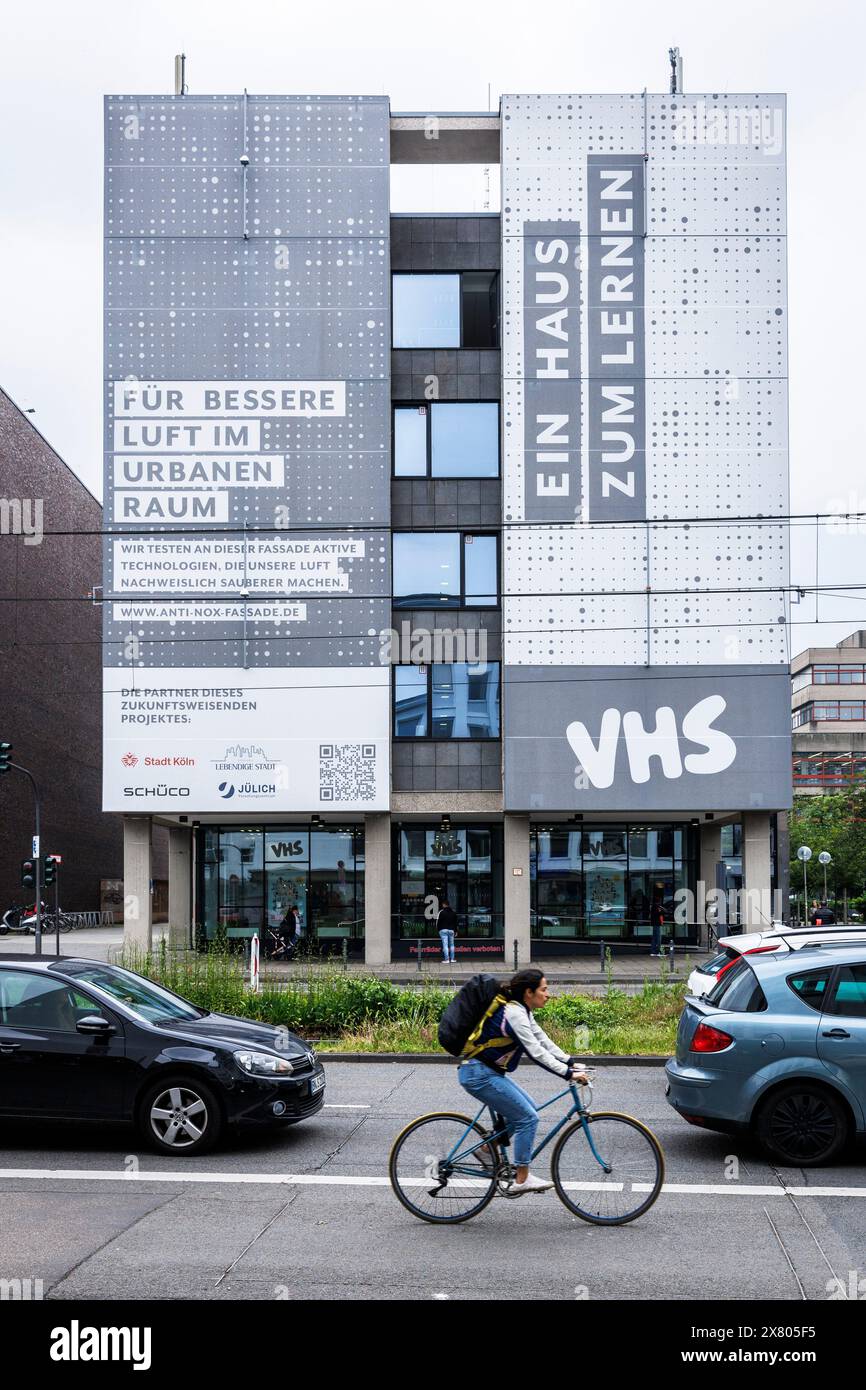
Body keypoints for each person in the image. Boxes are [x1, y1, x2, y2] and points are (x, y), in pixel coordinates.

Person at [458, 969, 590, 1196]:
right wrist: (568, 1074)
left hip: (486, 1072)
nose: (548, 994)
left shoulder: (523, 1011)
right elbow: (536, 1052)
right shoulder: (514, 1014)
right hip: (478, 1075)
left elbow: (543, 1041)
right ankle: (522, 1178)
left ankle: (485, 1150)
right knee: (528, 1117)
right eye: (544, 989)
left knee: (525, 1109)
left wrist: (571, 1062)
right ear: (529, 992)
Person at [436, 897, 458, 963]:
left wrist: (438, 929)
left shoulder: (441, 912)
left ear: (443, 905)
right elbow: (456, 923)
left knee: (445, 945)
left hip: (443, 930)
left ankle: (447, 959)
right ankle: (452, 959)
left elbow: (438, 922)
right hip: (451, 930)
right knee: (452, 945)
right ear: (449, 904)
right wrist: (456, 931)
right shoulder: (453, 912)